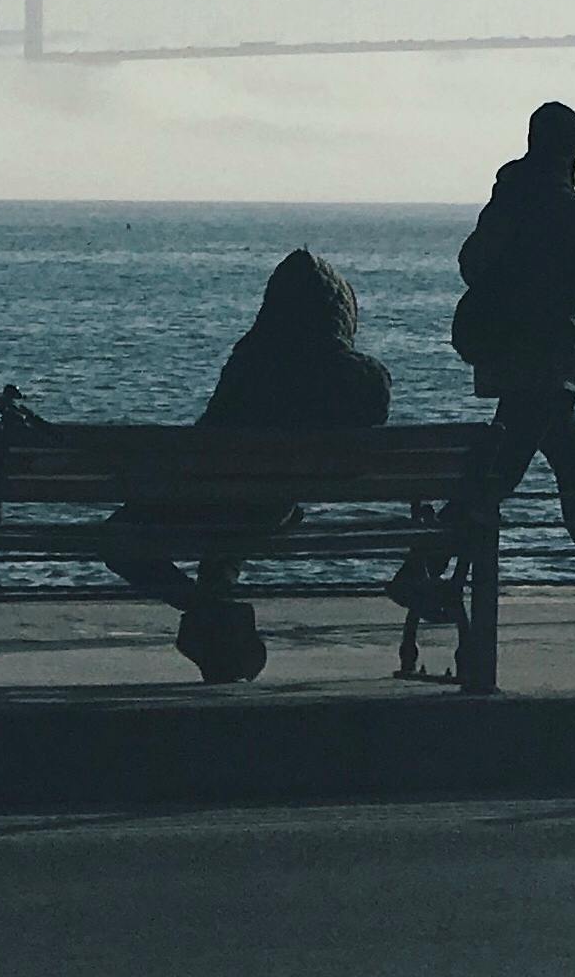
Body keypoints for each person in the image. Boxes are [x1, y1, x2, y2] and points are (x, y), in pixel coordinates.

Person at [398, 101, 575, 624]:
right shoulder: (563, 207)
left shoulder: (506, 200)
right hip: (546, 364)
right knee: (502, 475)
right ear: (570, 148)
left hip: (512, 359)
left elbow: (470, 264)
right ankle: (420, 569)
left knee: (570, 466)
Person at [102, 247, 390, 682]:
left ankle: (209, 612)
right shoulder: (366, 379)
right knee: (238, 522)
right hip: (275, 509)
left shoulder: (252, 362)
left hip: (222, 499)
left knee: (119, 537)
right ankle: (216, 626)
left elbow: (209, 438)